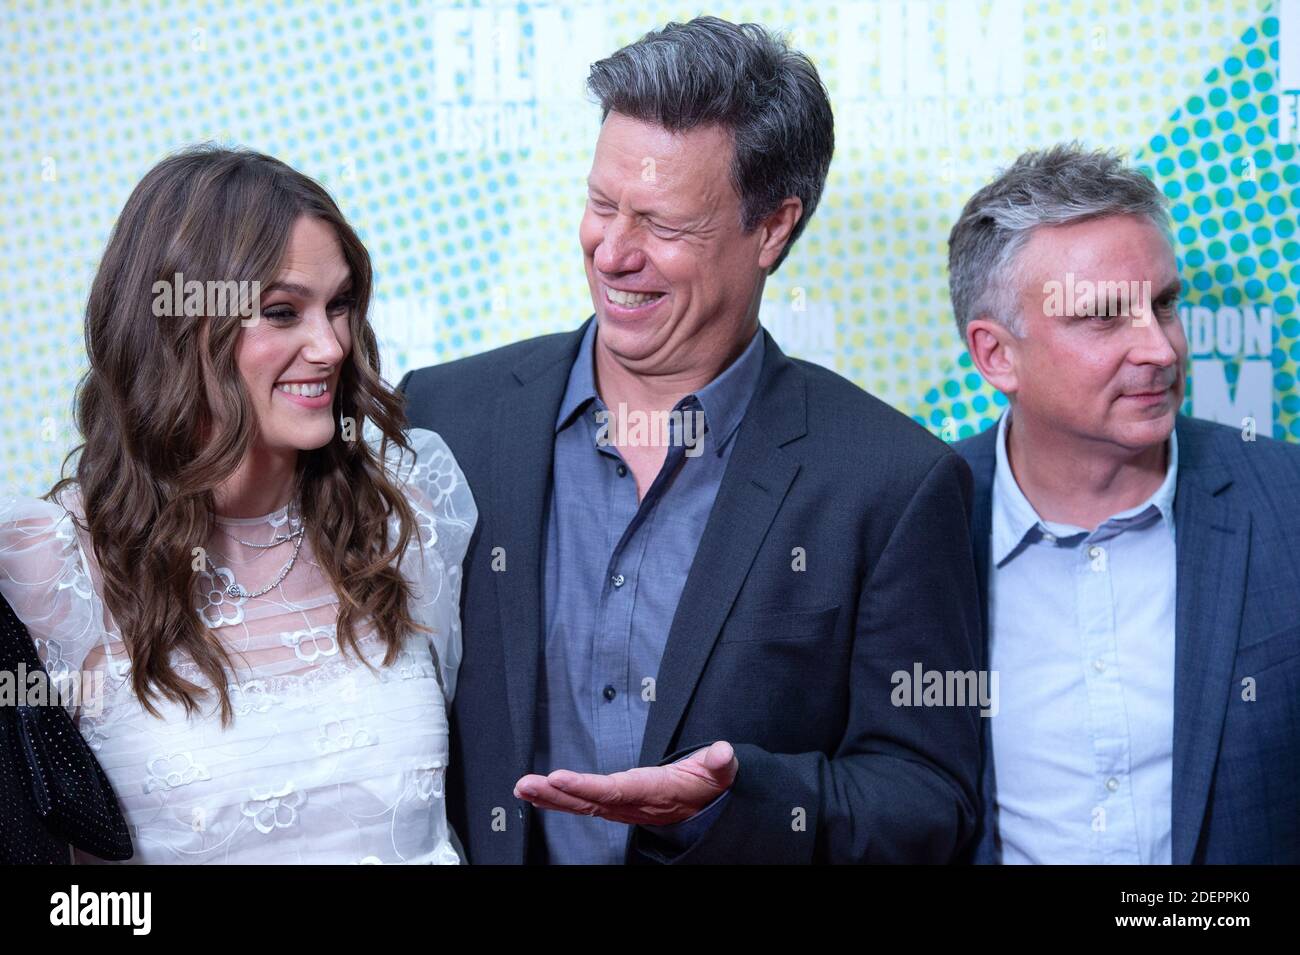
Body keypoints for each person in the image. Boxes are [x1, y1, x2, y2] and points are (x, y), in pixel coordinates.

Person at [401, 16, 982, 864]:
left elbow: (930, 800)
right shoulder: (447, 417)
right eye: (602, 204)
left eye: (664, 226)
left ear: (773, 229)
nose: (614, 251)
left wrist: (732, 802)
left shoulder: (892, 481)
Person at [0, 145, 477, 864]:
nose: (330, 345)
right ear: (178, 329)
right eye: (284, 312)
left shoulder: (408, 514)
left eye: (340, 305)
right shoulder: (51, 566)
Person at [949, 144, 1300, 864]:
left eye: (1164, 304)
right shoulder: (912, 523)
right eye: (1105, 316)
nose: (1161, 348)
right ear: (996, 355)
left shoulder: (1287, 501)